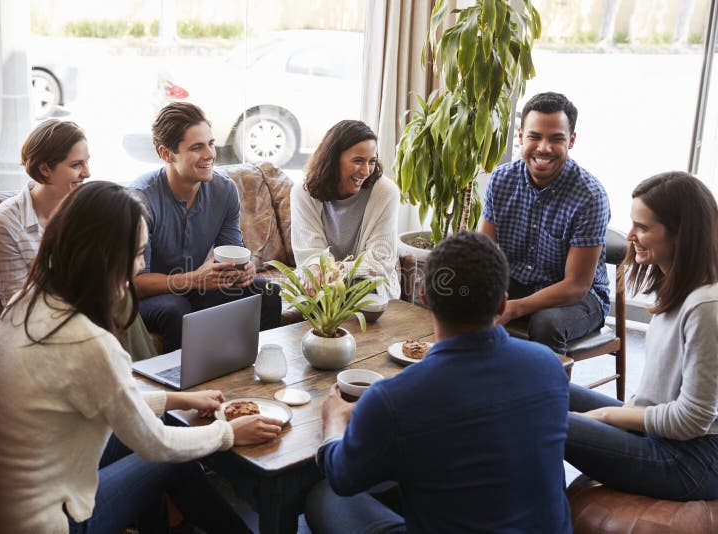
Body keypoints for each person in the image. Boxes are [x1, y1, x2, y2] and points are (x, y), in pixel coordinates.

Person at [0, 181, 284, 533]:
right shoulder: (86, 341)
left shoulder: (29, 299)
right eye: (137, 253)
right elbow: (156, 444)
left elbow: (111, 397)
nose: (139, 266)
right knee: (170, 460)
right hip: (45, 521)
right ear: (103, 257)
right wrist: (227, 432)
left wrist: (175, 398)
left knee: (168, 425)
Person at [306, 231, 571, 533]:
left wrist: (334, 422)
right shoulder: (549, 366)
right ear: (502, 305)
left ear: (424, 297)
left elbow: (342, 477)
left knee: (324, 495)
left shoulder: (394, 399)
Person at [566, 171, 718, 500]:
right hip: (665, 437)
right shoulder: (677, 287)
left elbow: (693, 420)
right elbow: (661, 389)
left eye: (644, 227)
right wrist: (622, 412)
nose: (630, 234)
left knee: (546, 420)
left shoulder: (706, 306)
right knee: (545, 389)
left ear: (682, 236)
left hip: (693, 460)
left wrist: (606, 416)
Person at [0, 119, 155, 360]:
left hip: (74, 299)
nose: (87, 173)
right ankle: (137, 385)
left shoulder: (82, 208)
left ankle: (146, 377)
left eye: (87, 161)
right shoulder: (5, 222)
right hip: (20, 313)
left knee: (124, 299)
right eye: (76, 164)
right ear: (44, 169)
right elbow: (18, 304)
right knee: (116, 302)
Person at [131, 102, 281, 353]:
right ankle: (178, 388)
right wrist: (193, 278)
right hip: (151, 297)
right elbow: (135, 283)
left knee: (267, 292)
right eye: (197, 147)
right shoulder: (140, 199)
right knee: (175, 309)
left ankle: (258, 373)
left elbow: (232, 252)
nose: (211, 154)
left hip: (196, 285)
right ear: (166, 153)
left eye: (211, 143)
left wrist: (244, 271)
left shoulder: (224, 190)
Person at [480, 92, 611, 353]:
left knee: (546, 323)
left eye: (556, 139)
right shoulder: (501, 179)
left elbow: (576, 286)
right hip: (516, 282)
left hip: (578, 298)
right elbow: (481, 252)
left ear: (571, 140)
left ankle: (543, 393)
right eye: (535, 136)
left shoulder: (590, 196)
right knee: (456, 293)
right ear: (521, 136)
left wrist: (515, 306)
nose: (544, 147)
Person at [291, 120, 400, 300]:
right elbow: (309, 251)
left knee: (353, 290)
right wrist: (317, 269)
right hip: (321, 279)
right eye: (358, 161)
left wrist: (337, 270)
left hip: (368, 282)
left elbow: (381, 260)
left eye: (372, 161)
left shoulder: (385, 193)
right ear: (333, 160)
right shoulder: (303, 192)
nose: (366, 171)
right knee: (311, 293)